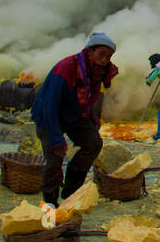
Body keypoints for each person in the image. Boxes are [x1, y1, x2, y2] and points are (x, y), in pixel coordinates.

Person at [31, 31, 118, 206]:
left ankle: (71, 190)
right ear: (89, 51)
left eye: (108, 56)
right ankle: (50, 201)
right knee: (55, 157)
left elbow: (87, 96)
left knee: (94, 143)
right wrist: (56, 139)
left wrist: (92, 115)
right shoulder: (66, 68)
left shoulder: (100, 71)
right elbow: (50, 105)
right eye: (101, 55)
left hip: (75, 113)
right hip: (49, 114)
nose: (104, 60)